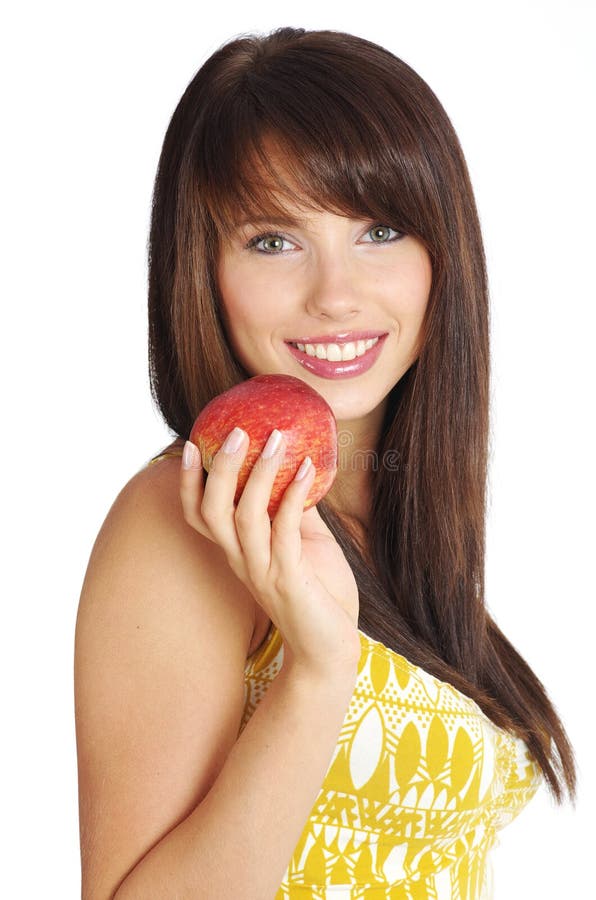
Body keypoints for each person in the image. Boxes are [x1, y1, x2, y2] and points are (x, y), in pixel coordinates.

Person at [74, 26, 576, 899]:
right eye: (274, 240)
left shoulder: (399, 518)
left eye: (379, 229)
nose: (336, 295)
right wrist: (315, 674)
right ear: (203, 268)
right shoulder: (188, 521)